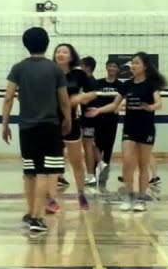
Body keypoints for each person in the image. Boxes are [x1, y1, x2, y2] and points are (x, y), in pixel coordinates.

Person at [1, 27, 72, 234]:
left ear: (26, 44)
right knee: (44, 173)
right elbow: (64, 99)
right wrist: (67, 119)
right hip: (49, 127)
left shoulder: (18, 68)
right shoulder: (55, 69)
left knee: (29, 173)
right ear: (47, 43)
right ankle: (37, 217)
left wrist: (4, 124)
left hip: (26, 128)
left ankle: (30, 212)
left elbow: (8, 98)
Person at [90, 52, 164, 213]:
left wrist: (151, 107)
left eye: (136, 63)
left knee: (143, 165)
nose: (133, 65)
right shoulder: (127, 85)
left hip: (146, 128)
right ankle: (129, 196)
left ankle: (141, 198)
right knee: (127, 164)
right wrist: (99, 110)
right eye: (132, 63)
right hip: (129, 128)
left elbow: (158, 102)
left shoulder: (151, 85)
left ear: (144, 66)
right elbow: (114, 104)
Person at [52, 43, 96, 211]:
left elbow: (93, 92)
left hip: (72, 121)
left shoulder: (78, 74)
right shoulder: (49, 71)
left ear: (71, 56)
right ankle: (52, 198)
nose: (61, 54)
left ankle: (80, 194)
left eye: (65, 51)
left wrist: (80, 98)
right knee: (53, 162)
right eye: (58, 51)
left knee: (76, 160)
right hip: (51, 121)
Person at [92, 59, 126, 187]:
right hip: (98, 118)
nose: (112, 68)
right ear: (106, 67)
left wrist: (119, 107)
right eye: (110, 66)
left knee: (108, 146)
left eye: (114, 66)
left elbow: (124, 99)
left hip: (112, 119)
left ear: (118, 70)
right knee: (96, 145)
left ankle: (104, 174)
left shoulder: (120, 85)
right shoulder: (98, 82)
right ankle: (92, 174)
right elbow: (93, 97)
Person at [79, 56, 101, 188]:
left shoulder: (90, 82)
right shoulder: (87, 81)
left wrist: (74, 99)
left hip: (89, 118)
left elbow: (86, 100)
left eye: (81, 65)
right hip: (86, 117)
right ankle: (101, 164)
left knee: (87, 145)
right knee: (89, 144)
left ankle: (91, 175)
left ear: (87, 67)